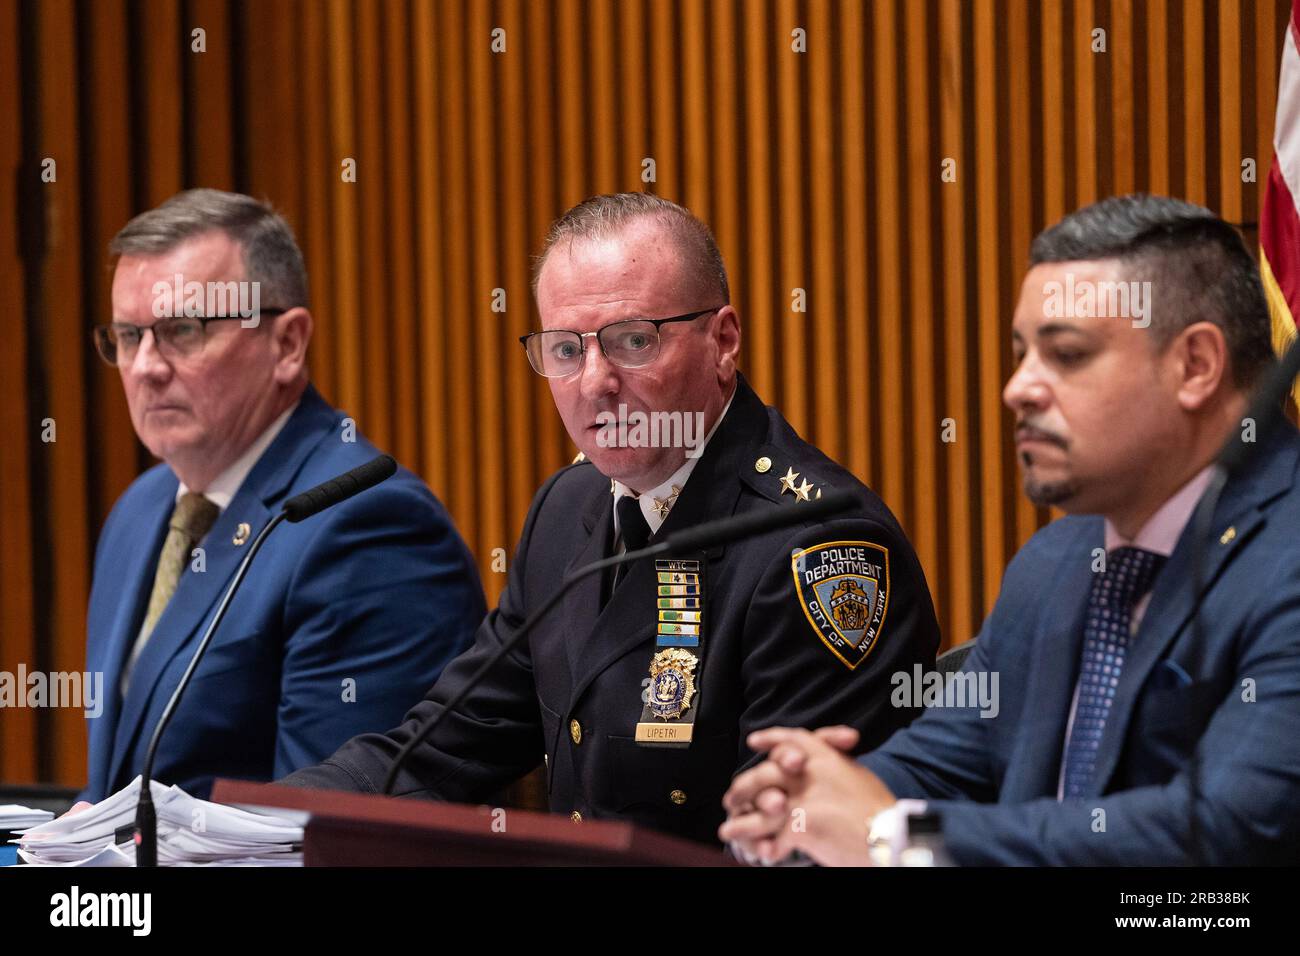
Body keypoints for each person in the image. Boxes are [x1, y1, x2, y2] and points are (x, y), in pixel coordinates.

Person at [280, 192, 940, 845]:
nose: (595, 381)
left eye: (632, 341)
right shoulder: (567, 511)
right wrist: (250, 824)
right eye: (566, 350)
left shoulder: (816, 551)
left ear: (724, 341)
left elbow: (794, 846)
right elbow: (434, 752)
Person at [720, 193, 1300, 865]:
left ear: (1196, 365)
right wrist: (802, 805)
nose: (1017, 388)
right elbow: (941, 766)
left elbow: (1226, 831)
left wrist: (898, 839)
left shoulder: (1285, 556)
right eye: (1022, 353)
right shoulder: (1056, 562)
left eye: (1067, 355)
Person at [80, 188, 484, 803]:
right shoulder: (139, 511)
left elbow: (321, 831)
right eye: (129, 336)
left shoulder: (366, 526)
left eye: (182, 330)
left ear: (287, 344)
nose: (145, 367)